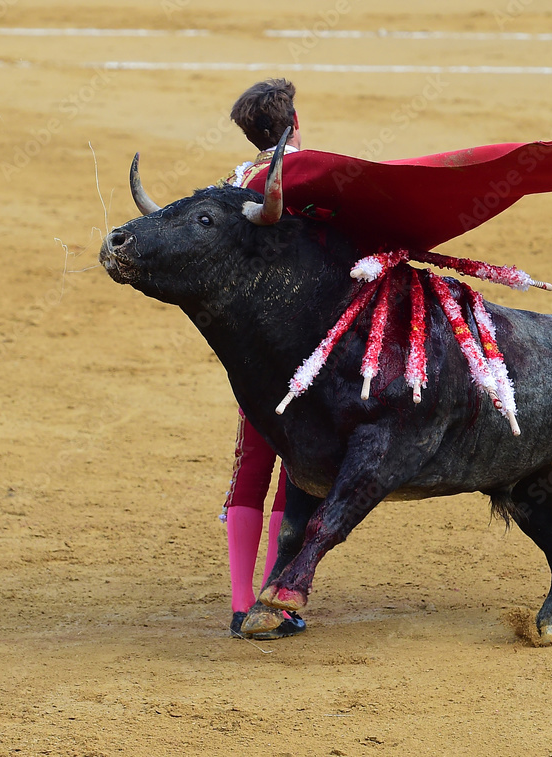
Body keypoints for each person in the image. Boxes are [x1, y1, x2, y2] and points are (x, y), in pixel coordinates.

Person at [221, 79, 305, 640]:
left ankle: (240, 604)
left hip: (252, 349)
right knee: (298, 470)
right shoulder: (316, 173)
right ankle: (277, 603)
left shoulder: (230, 186)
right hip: (307, 351)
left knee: (252, 461)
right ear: (295, 125)